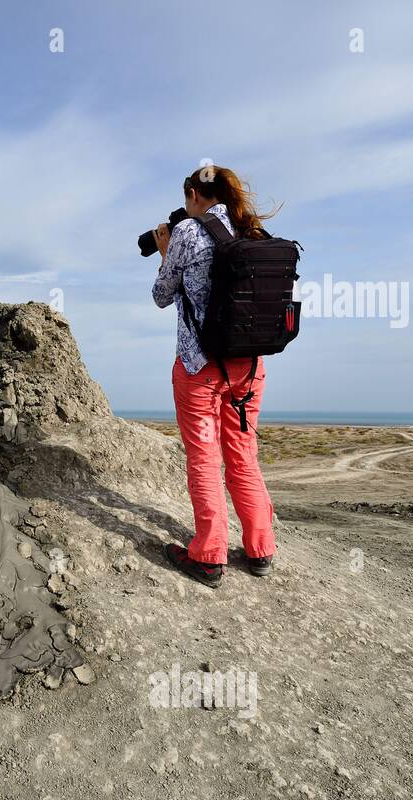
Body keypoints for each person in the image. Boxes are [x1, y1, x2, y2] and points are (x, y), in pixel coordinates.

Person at [151, 165, 277, 588]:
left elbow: (161, 296)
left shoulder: (187, 232)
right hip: (250, 366)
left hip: (199, 366)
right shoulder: (250, 229)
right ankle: (260, 548)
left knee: (204, 457)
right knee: (243, 455)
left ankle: (209, 555)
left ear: (192, 193)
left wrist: (166, 249)